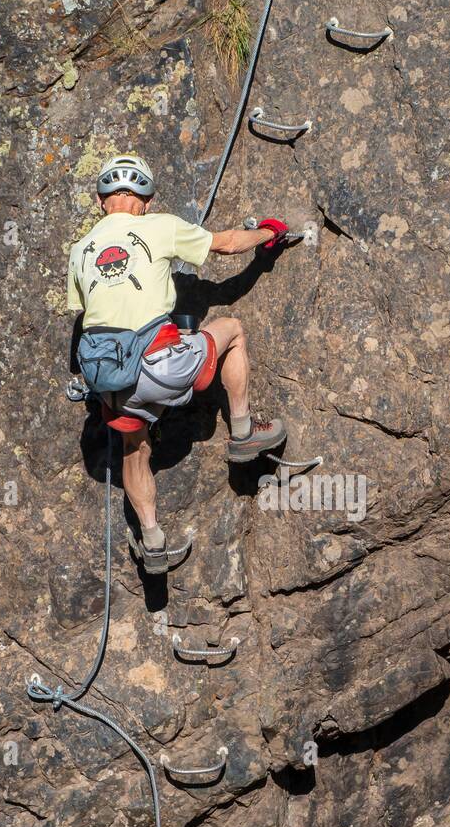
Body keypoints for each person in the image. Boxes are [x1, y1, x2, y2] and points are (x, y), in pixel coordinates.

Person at [67, 154, 290, 573]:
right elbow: (224, 243)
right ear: (146, 202)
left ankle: (152, 541)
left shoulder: (80, 250)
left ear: (101, 202)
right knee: (232, 328)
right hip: (159, 366)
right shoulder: (159, 226)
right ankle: (242, 432)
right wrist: (266, 233)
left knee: (134, 448)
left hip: (112, 383)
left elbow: (85, 312)